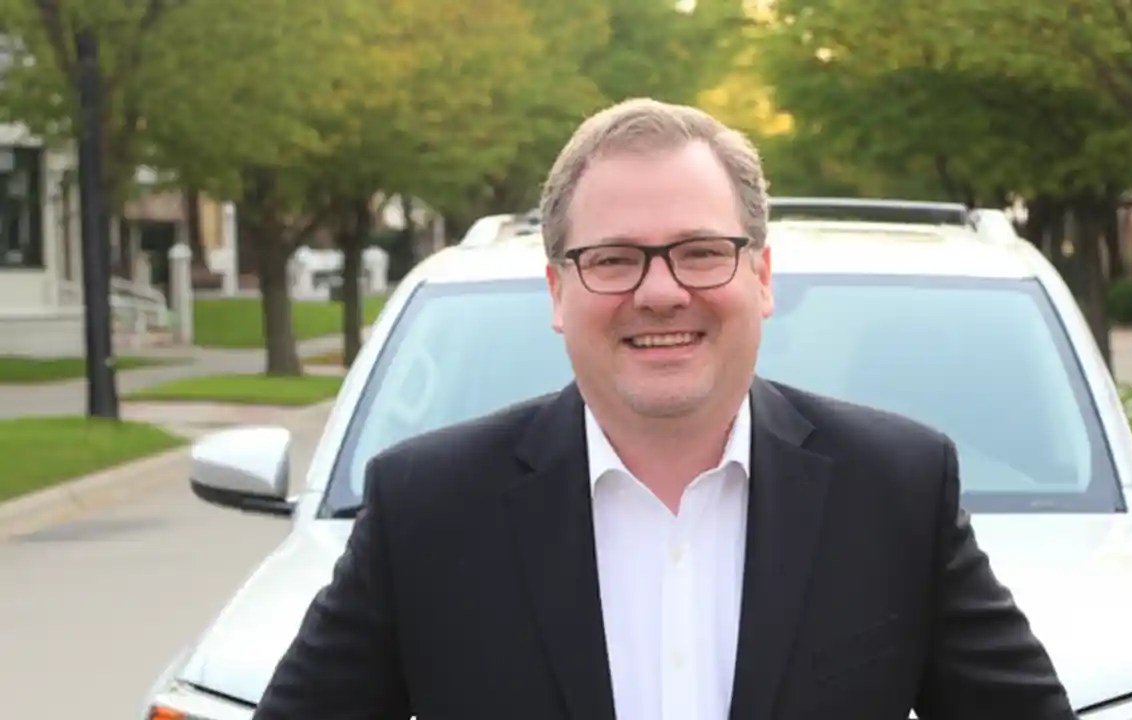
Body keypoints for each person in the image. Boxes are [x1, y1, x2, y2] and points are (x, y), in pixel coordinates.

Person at [253, 98, 1077, 719]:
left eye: (699, 253)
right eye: (612, 259)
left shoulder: (894, 488)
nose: (660, 291)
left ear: (759, 277)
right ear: (557, 290)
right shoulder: (427, 508)